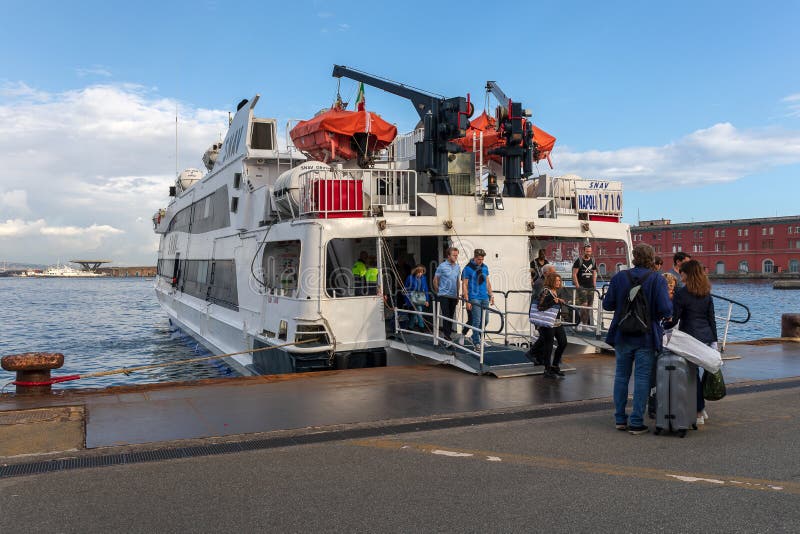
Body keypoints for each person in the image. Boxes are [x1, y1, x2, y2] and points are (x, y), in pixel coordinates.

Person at [603, 243, 672, 435]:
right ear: (652, 258)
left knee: (621, 376)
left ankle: (619, 418)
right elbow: (666, 309)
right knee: (642, 378)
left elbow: (607, 305)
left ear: (633, 257)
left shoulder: (619, 277)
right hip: (646, 336)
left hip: (622, 334)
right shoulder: (657, 279)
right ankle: (636, 421)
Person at [669, 259, 718, 426]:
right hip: (706, 337)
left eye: (682, 272)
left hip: (689, 338)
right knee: (704, 373)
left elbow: (674, 318)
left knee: (692, 376)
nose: (680, 274)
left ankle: (698, 411)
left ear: (688, 274)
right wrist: (715, 341)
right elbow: (711, 318)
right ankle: (701, 408)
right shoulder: (706, 292)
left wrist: (663, 325)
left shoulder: (682, 294)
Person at [535, 271, 568, 378]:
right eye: (557, 280)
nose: (559, 282)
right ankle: (547, 369)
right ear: (551, 281)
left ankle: (555, 365)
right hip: (547, 323)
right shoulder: (546, 291)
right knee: (548, 346)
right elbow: (540, 307)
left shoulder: (556, 291)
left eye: (559, 280)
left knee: (563, 343)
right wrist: (554, 302)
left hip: (557, 322)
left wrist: (559, 301)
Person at [461, 249, 495, 346]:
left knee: (486, 320)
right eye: (479, 259)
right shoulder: (468, 268)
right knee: (476, 320)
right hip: (474, 297)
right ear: (475, 257)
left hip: (484, 296)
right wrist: (467, 300)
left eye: (482, 259)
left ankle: (474, 337)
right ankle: (476, 342)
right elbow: (465, 284)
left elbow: (487, 282)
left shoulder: (485, 267)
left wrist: (491, 295)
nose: (481, 261)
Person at [526, 264, 556, 365]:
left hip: (545, 313)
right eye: (552, 272)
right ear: (545, 273)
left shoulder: (547, 283)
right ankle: (533, 353)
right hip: (540, 314)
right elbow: (539, 300)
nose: (554, 274)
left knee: (545, 337)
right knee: (544, 336)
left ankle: (539, 358)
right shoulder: (540, 283)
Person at [433, 247, 460, 341]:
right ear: (448, 255)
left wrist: (457, 295)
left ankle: (448, 334)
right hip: (444, 295)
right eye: (454, 255)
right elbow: (435, 279)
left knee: (451, 315)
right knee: (446, 315)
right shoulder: (442, 266)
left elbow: (457, 281)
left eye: (457, 255)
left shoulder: (457, 267)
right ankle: (447, 336)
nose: (456, 257)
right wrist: (438, 292)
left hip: (453, 295)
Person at [572, 244, 598, 326]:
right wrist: (577, 286)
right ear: (583, 251)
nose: (588, 253)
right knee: (584, 305)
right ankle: (582, 323)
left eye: (590, 251)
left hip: (590, 286)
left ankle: (585, 324)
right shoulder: (579, 261)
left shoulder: (593, 261)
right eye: (587, 251)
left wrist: (594, 284)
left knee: (589, 306)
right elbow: (574, 274)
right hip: (581, 286)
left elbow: (594, 272)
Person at [404, 265, 430, 331]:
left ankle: (410, 327)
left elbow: (426, 289)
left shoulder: (423, 278)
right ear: (415, 272)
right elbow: (405, 289)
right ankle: (421, 326)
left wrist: (427, 300)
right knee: (419, 309)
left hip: (420, 297)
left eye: (421, 272)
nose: (420, 274)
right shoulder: (410, 277)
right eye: (419, 272)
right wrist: (407, 300)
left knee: (415, 312)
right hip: (412, 297)